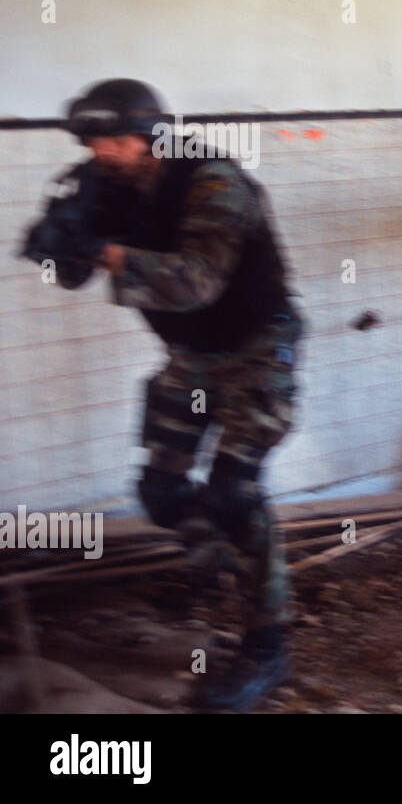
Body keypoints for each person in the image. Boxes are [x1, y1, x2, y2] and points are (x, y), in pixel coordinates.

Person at [48, 78, 303, 711]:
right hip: (190, 358)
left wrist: (103, 251)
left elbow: (195, 283)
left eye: (118, 138)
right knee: (159, 489)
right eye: (94, 139)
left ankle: (266, 643)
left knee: (235, 491)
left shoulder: (215, 183)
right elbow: (71, 267)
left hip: (257, 350)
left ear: (153, 136)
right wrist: (59, 250)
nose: (103, 150)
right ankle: (213, 558)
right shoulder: (103, 183)